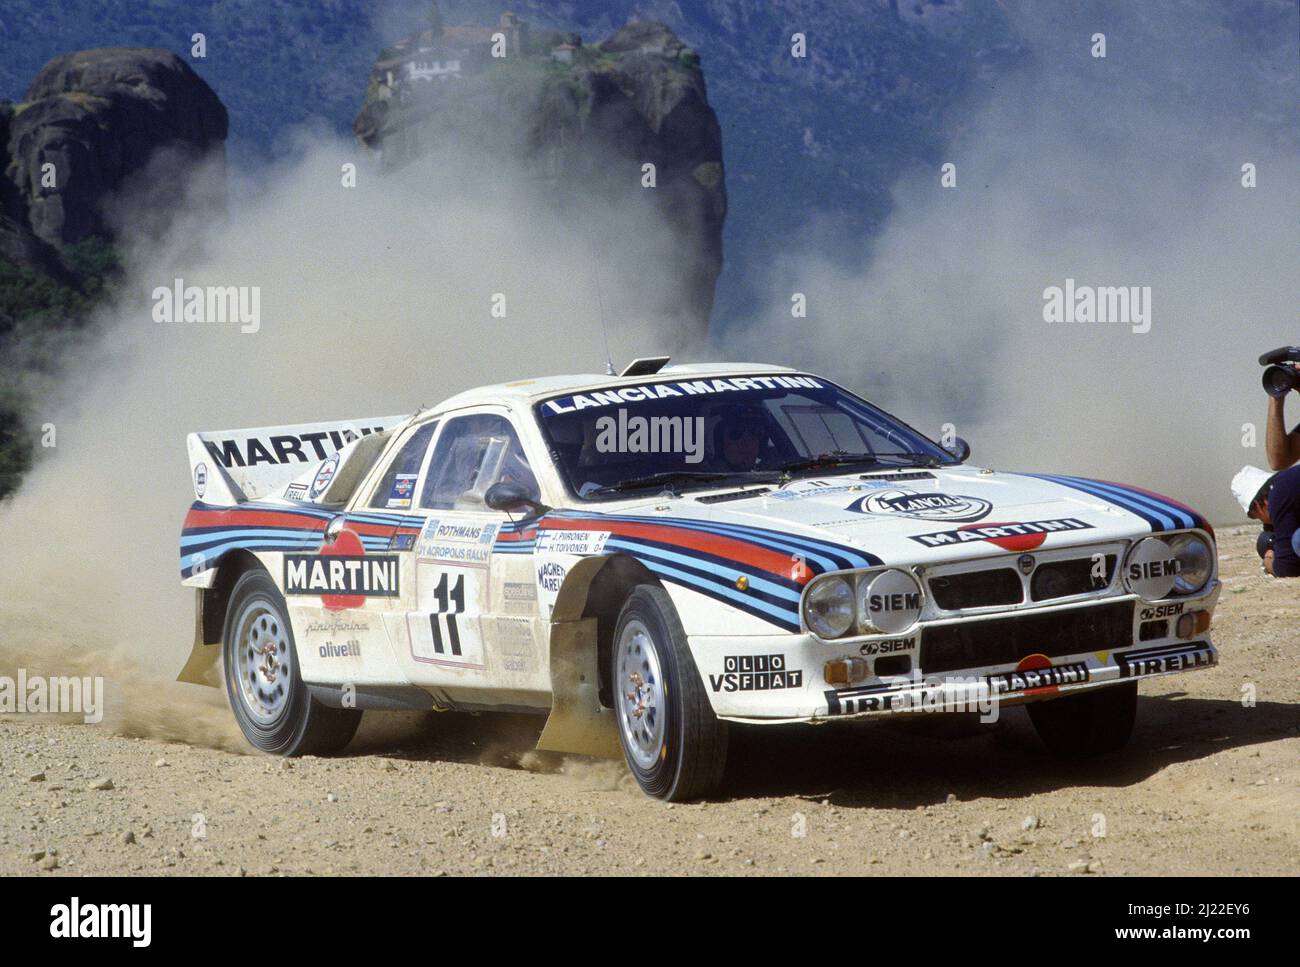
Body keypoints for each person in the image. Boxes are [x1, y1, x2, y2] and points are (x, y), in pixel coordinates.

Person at [1232, 464, 1300, 577]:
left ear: (1258, 505)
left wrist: (1268, 560)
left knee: (1297, 540)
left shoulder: (1279, 496)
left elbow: (1288, 567)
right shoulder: (1287, 482)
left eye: (1256, 517)